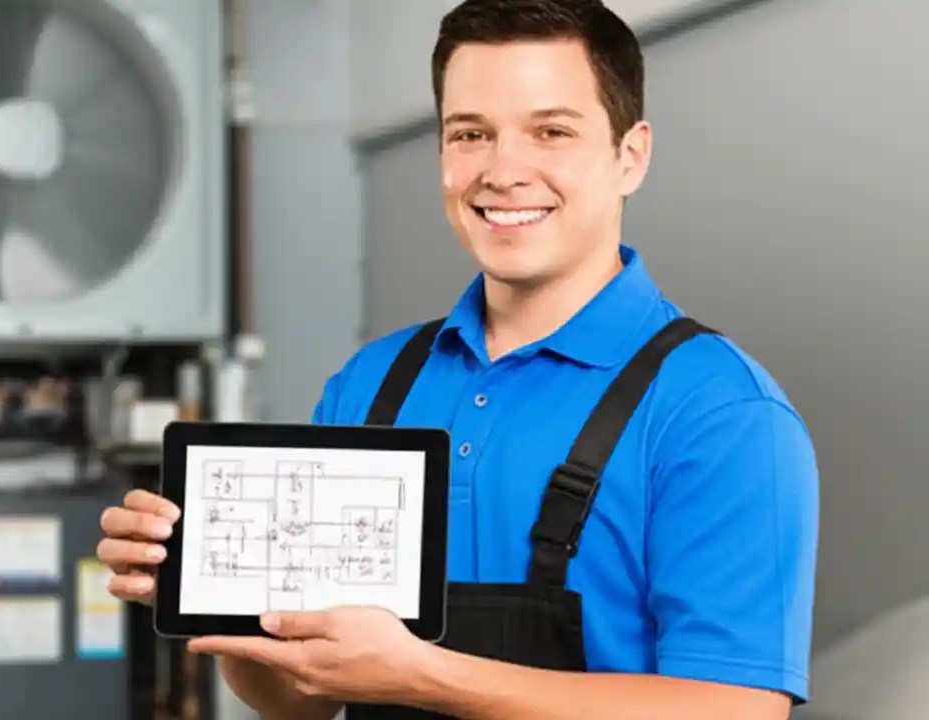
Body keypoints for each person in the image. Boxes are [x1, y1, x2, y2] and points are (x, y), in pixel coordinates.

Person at [96, 0, 819, 718]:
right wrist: (217, 591)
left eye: (551, 132)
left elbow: (736, 711)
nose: (504, 171)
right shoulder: (370, 386)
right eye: (471, 134)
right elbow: (297, 704)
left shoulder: (717, 410)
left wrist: (423, 675)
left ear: (629, 156)